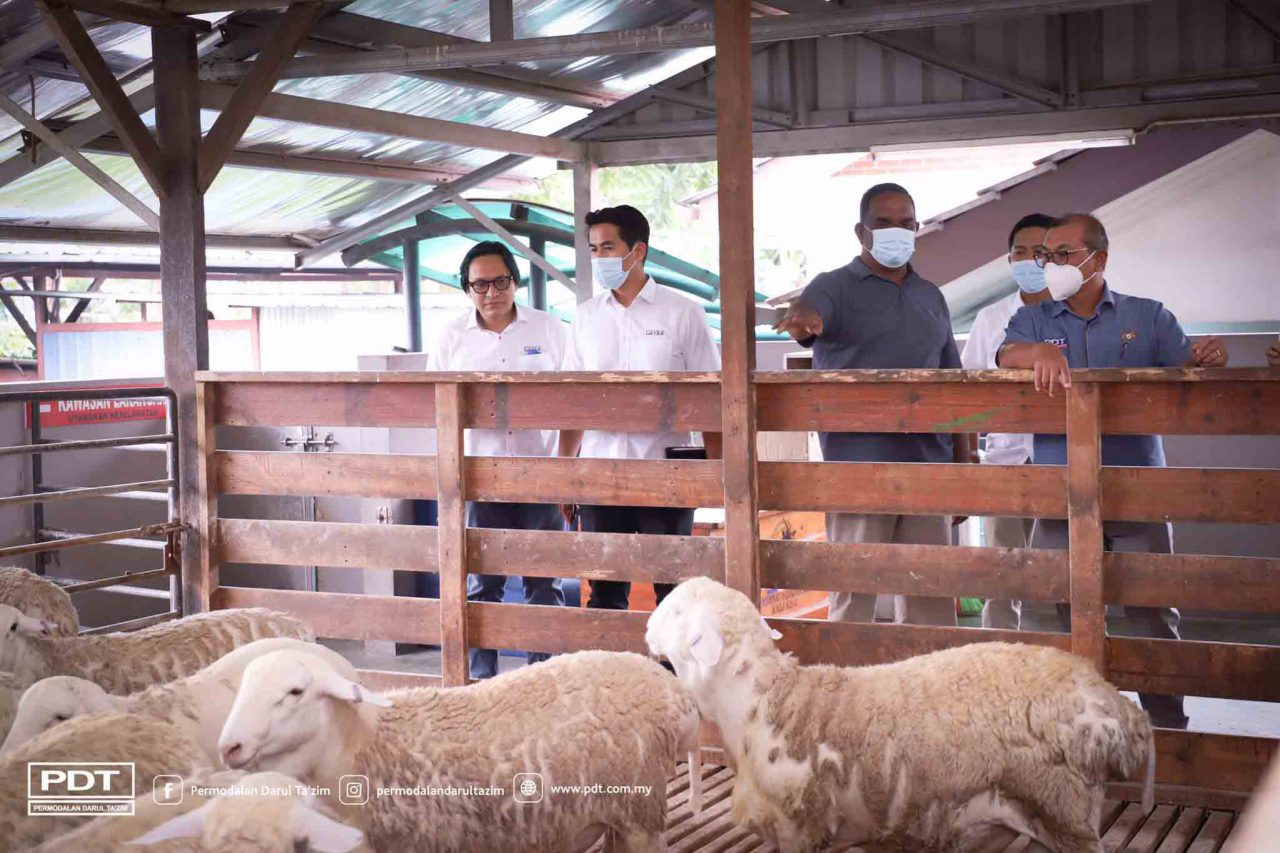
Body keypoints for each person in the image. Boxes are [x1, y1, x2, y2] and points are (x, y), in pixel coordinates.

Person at [997, 212, 1228, 729]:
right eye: (1045, 256)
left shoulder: (1148, 317)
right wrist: (1035, 353)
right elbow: (1005, 353)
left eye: (1062, 254)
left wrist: (1208, 356)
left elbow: (1188, 366)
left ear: (1097, 259)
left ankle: (1167, 728)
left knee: (1150, 611)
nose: (1050, 265)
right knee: (1064, 607)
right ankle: (1084, 727)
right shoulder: (1034, 320)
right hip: (1060, 492)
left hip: (1137, 490)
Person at [774, 183, 974, 627]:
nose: (896, 232)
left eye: (906, 223)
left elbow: (952, 384)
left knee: (930, 594)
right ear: (861, 232)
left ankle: (925, 694)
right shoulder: (833, 286)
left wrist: (963, 464)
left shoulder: (930, 296)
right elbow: (807, 315)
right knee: (854, 590)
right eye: (883, 223)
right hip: (856, 468)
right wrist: (803, 320)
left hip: (930, 467)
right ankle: (843, 691)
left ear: (918, 228)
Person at [558, 205, 722, 610]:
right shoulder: (584, 318)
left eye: (608, 247)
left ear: (638, 250)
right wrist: (564, 472)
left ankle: (674, 675)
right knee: (605, 590)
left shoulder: (683, 312)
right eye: (594, 249)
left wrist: (718, 471)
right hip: (599, 472)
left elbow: (712, 396)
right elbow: (569, 401)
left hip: (664, 472)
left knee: (673, 590)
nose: (600, 258)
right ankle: (609, 674)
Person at [429, 240, 568, 680]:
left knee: (542, 580)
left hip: (540, 472)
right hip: (479, 475)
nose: (492, 292)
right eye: (480, 284)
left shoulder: (550, 329)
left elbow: (574, 399)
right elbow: (436, 405)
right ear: (467, 289)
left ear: (516, 281)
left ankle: (541, 679)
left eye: (501, 281)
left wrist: (566, 468)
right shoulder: (452, 337)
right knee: (482, 582)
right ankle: (480, 681)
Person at [960, 213, 1056, 630]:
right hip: (1006, 457)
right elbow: (967, 393)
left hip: (1065, 457)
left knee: (1069, 567)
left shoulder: (1077, 315)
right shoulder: (990, 319)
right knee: (1002, 570)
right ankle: (998, 661)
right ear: (1009, 258)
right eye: (1021, 252)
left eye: (1041, 253)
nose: (1030, 261)